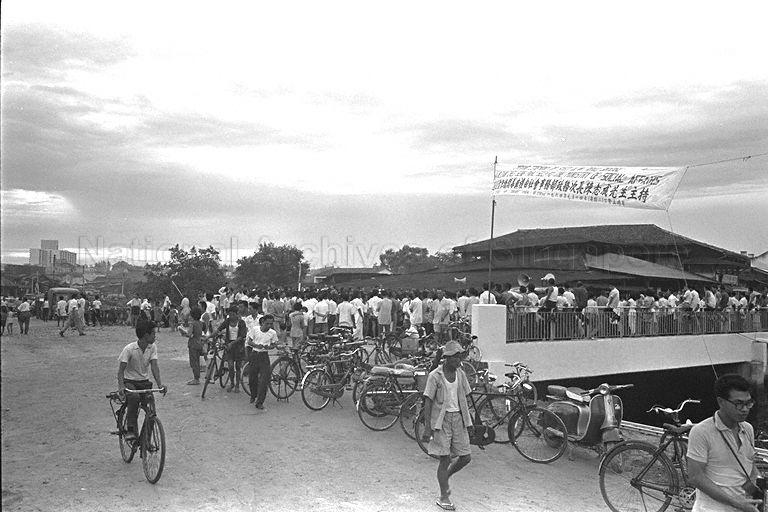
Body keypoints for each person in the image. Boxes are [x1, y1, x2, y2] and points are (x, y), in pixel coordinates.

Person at [687, 373, 761, 512]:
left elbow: (749, 466)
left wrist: (755, 490)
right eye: (738, 404)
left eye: (748, 403)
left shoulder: (748, 428)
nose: (745, 409)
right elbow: (695, 477)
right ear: (721, 401)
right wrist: (736, 503)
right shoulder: (701, 432)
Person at [421, 340, 473, 511]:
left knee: (466, 457)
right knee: (445, 459)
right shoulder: (435, 376)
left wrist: (470, 421)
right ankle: (444, 496)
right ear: (447, 359)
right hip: (441, 421)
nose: (459, 361)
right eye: (456, 358)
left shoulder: (461, 374)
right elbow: (428, 401)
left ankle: (445, 476)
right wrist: (428, 427)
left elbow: (466, 399)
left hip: (458, 419)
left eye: (460, 357)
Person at [117, 318, 167, 441]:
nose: (155, 336)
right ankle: (131, 429)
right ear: (146, 335)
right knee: (134, 398)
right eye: (153, 333)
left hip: (144, 382)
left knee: (151, 409)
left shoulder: (152, 347)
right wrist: (121, 387)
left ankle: (147, 440)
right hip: (130, 382)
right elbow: (120, 371)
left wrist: (160, 384)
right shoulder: (129, 349)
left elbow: (154, 366)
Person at [245, 314, 279, 409]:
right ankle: (253, 395)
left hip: (264, 356)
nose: (269, 326)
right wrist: (256, 345)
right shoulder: (255, 329)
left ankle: (260, 402)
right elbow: (249, 342)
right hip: (255, 354)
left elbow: (274, 344)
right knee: (252, 378)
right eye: (267, 323)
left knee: (264, 380)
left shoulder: (272, 333)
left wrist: (270, 347)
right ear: (263, 322)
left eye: (271, 324)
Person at [216, 306, 247, 392]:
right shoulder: (227, 321)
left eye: (233, 314)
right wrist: (209, 337)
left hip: (238, 347)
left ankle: (237, 385)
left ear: (237, 314)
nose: (231, 317)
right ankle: (232, 383)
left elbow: (242, 336)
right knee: (230, 366)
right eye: (230, 315)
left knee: (237, 367)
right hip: (229, 348)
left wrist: (232, 343)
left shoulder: (241, 323)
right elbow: (218, 329)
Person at [185, 306, 205, 385]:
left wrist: (184, 333)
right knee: (197, 361)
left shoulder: (192, 324)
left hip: (193, 344)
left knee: (194, 362)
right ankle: (197, 378)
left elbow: (189, 334)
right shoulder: (200, 323)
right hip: (199, 343)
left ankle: (196, 379)